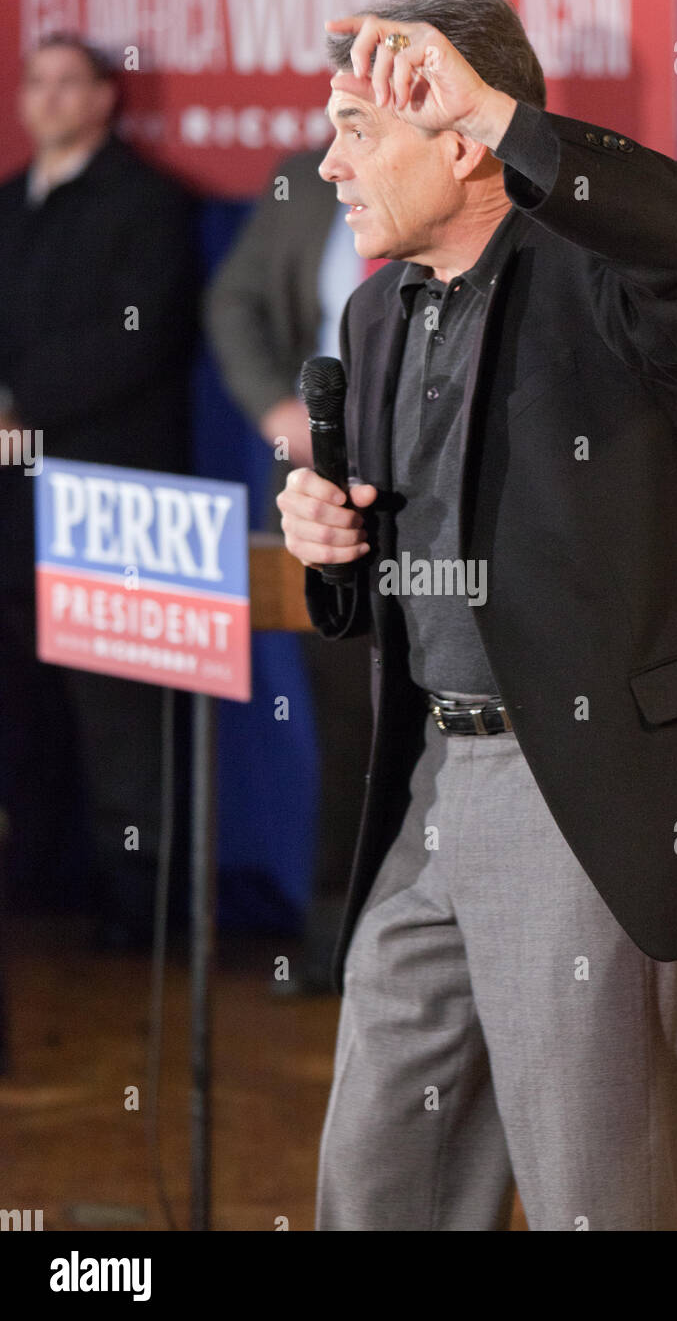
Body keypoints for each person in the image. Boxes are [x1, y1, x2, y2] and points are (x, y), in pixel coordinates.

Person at [277, 0, 677, 1232]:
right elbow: (401, 551)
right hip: (432, 785)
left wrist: (499, 108)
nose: (326, 163)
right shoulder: (375, 307)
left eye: (355, 127)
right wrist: (333, 547)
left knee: (597, 1189)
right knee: (378, 1170)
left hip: (581, 789)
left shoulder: (609, 277)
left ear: (459, 141)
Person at [0, 34, 198, 946]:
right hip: (14, 507)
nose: (45, 98)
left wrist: (21, 405)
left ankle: (139, 920)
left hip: (112, 499)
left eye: (65, 81)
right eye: (33, 81)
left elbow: (139, 335)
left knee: (122, 714)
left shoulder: (147, 202)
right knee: (27, 710)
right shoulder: (10, 206)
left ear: (105, 99)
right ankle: (39, 900)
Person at [204, 149, 373, 993]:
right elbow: (233, 298)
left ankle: (456, 944)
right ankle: (337, 941)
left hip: (456, 498)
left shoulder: (478, 178)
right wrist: (277, 405)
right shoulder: (306, 180)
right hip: (323, 490)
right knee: (348, 730)